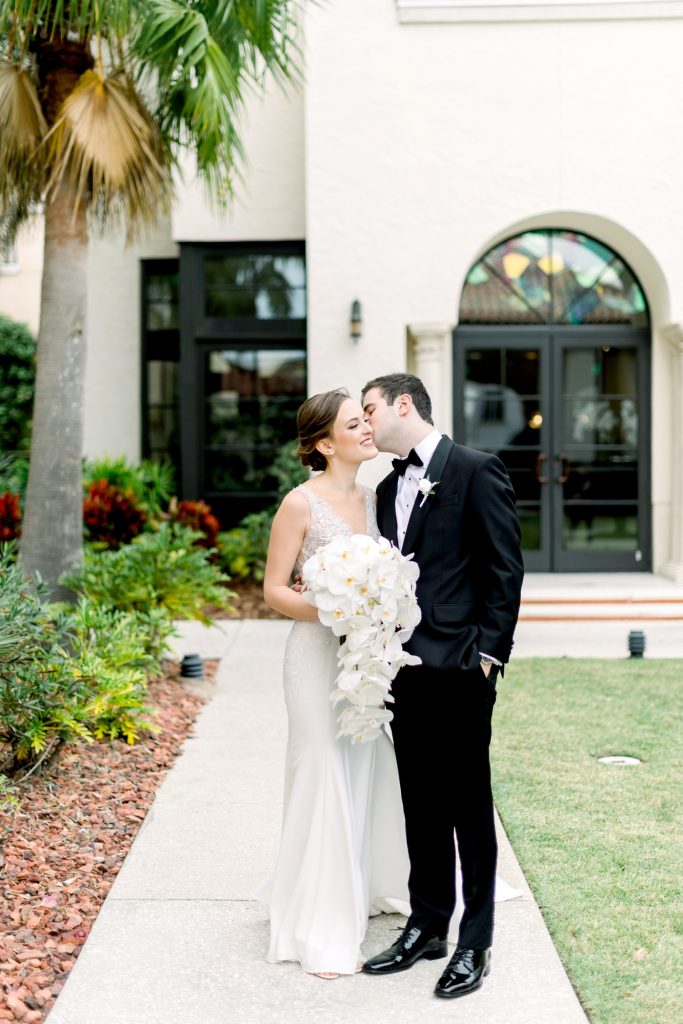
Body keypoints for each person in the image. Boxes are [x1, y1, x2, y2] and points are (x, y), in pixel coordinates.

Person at [361, 372, 524, 999]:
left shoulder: (477, 470)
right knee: (419, 801)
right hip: (400, 670)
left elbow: (504, 569)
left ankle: (474, 942)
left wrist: (487, 655)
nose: (366, 423)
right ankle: (426, 924)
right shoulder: (383, 487)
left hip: (460, 669)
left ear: (405, 404)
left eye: (371, 410)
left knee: (466, 806)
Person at [256, 387, 411, 978]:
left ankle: (362, 884)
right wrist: (335, 612)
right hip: (315, 656)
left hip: (365, 659)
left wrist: (378, 612)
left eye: (366, 419)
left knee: (364, 763)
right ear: (325, 443)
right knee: (321, 766)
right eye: (356, 423)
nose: (368, 429)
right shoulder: (300, 504)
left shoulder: (375, 501)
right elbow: (273, 590)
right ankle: (320, 921)